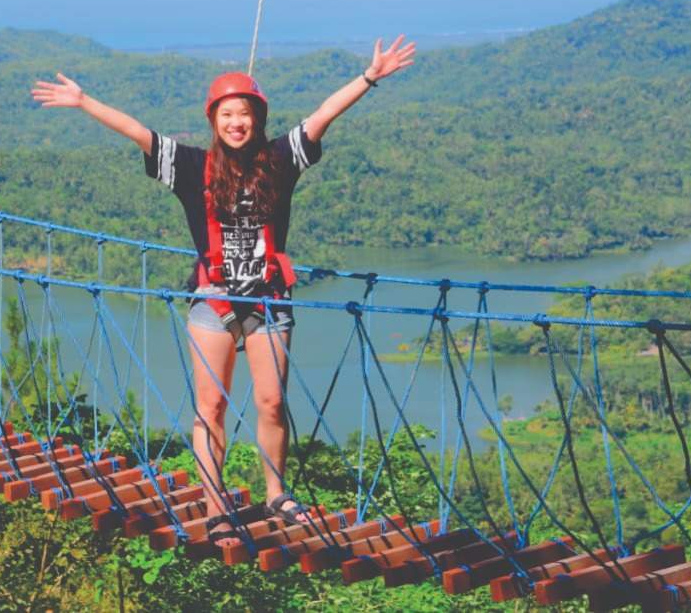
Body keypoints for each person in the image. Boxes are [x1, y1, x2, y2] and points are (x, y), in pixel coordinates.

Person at [31, 35, 415, 545]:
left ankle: (276, 493)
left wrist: (369, 78)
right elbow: (139, 133)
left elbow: (323, 114)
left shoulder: (280, 160)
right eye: (227, 114)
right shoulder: (192, 168)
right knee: (210, 408)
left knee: (272, 402)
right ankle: (216, 506)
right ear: (214, 119)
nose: (237, 123)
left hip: (268, 300)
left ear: (257, 118)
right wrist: (83, 103)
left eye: (246, 114)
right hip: (213, 300)